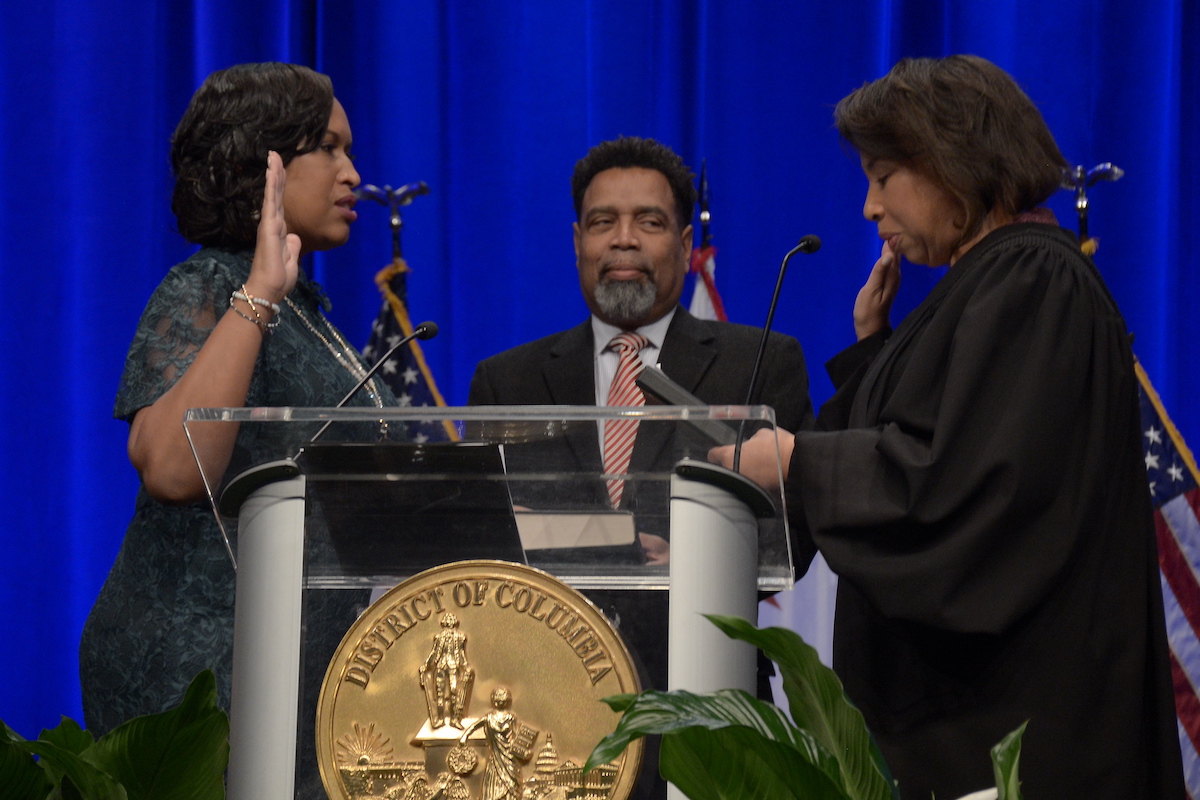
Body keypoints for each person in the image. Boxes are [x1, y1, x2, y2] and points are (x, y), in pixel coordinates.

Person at [713, 55, 1183, 798]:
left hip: (1019, 741)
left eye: (882, 176)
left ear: (950, 165)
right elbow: (934, 437)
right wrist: (875, 347)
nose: (869, 207)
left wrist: (800, 461)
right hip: (966, 732)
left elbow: (971, 491)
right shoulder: (990, 282)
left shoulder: (1033, 280)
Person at [469, 137, 814, 800]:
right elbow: (489, 540)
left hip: (705, 703)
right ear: (577, 241)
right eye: (603, 222)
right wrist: (607, 546)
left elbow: (798, 532)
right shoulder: (506, 379)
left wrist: (692, 559)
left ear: (686, 243)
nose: (623, 240)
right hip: (542, 714)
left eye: (649, 222)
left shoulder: (760, 363)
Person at [79, 63, 394, 766]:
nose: (355, 175)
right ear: (266, 161)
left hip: (294, 672)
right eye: (331, 148)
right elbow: (171, 467)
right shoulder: (210, 285)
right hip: (196, 676)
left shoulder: (308, 311)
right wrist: (257, 292)